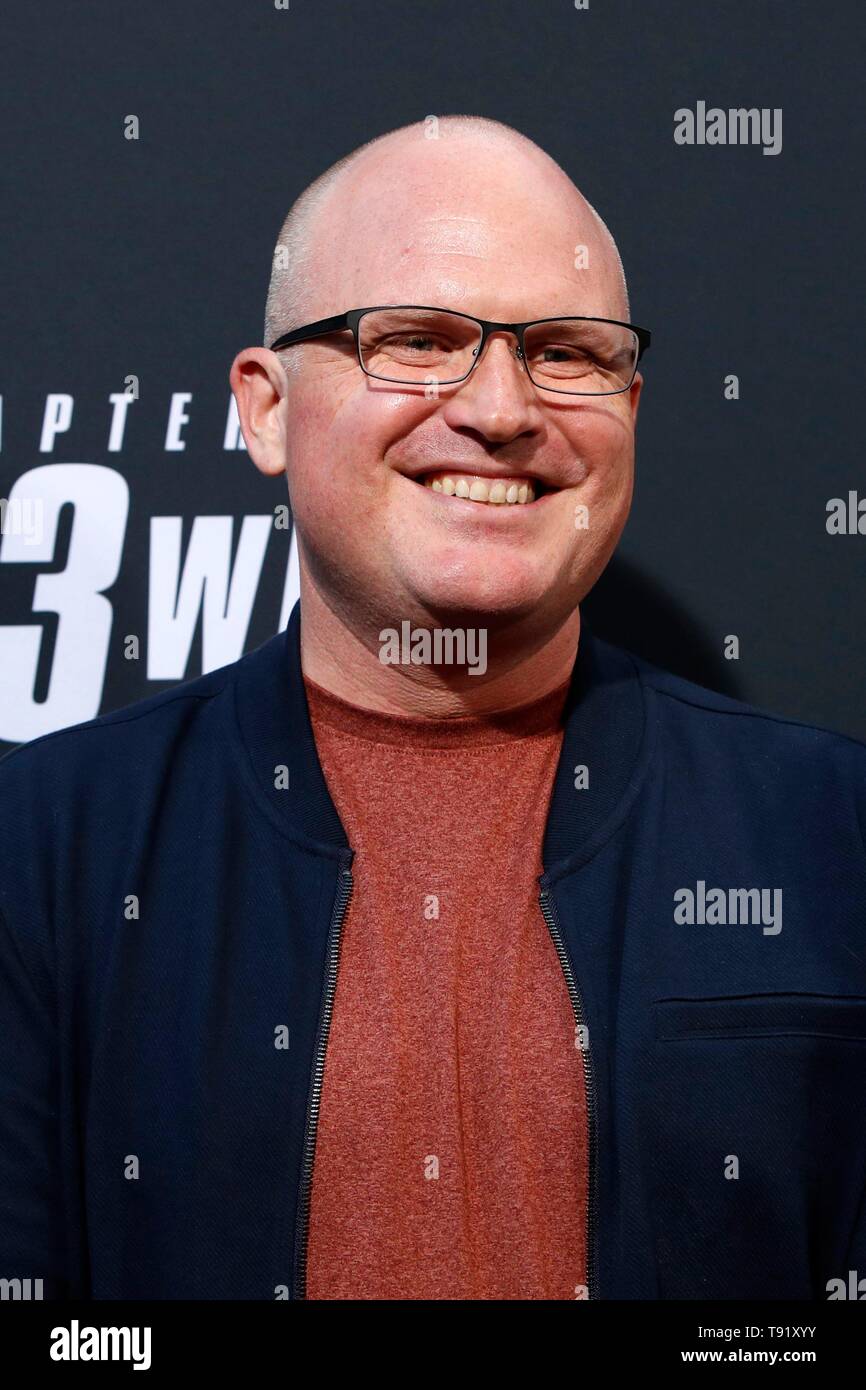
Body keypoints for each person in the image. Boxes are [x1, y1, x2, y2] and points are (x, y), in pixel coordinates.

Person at [1, 116, 864, 1302]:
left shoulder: (830, 832)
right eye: (416, 340)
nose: (500, 409)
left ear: (630, 404)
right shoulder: (44, 846)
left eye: (566, 352)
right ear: (263, 408)